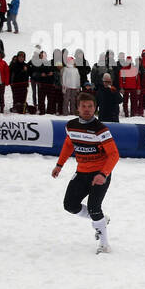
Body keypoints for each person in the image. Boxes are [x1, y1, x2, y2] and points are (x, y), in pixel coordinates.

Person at [51, 91, 119, 253]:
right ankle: (101, 220)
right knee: (69, 205)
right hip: (81, 173)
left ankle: (104, 245)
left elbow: (114, 154)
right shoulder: (71, 125)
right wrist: (59, 165)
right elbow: (69, 145)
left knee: (94, 207)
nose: (87, 109)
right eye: (83, 106)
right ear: (78, 108)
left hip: (100, 174)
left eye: (90, 106)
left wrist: (103, 174)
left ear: (95, 108)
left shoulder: (101, 130)